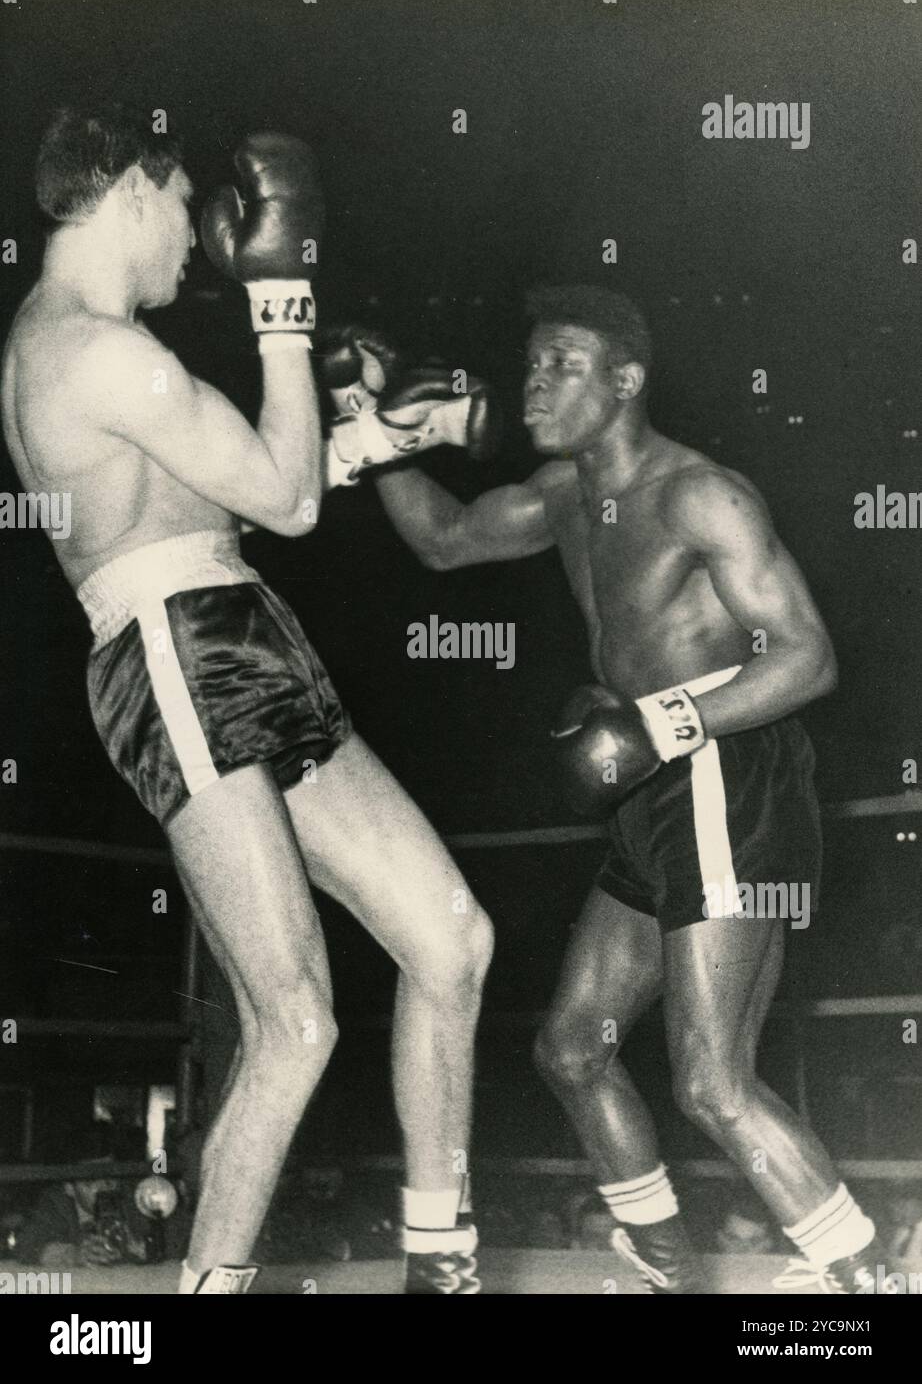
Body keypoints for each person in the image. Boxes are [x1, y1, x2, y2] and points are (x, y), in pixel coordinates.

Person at [1, 104, 493, 1295]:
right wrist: (283, 301)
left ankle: (439, 1261)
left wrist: (370, 436)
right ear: (128, 190)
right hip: (174, 649)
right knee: (296, 1021)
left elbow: (228, 499)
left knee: (449, 936)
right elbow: (287, 505)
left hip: (233, 629)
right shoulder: (93, 352)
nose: (195, 238)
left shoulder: (97, 349)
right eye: (180, 205)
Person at [324, 285, 896, 1294]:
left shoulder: (700, 496)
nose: (534, 383)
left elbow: (808, 657)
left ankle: (862, 1274)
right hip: (651, 792)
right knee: (571, 1045)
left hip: (728, 771)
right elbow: (445, 539)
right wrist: (369, 432)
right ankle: (664, 1261)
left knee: (712, 1080)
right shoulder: (561, 496)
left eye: (562, 364)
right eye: (532, 362)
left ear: (624, 380)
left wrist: (663, 720)